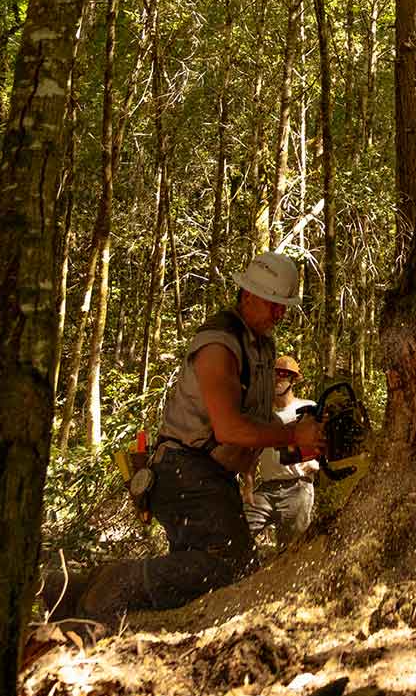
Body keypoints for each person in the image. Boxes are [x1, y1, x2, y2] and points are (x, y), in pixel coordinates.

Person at [69, 252, 328, 620]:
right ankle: (114, 584)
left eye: (284, 307)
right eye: (273, 304)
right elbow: (229, 429)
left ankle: (81, 587)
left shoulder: (262, 347)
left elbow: (256, 421)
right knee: (229, 568)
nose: (279, 314)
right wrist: (290, 433)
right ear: (248, 295)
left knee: (198, 569)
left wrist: (305, 439)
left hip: (211, 477)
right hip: (183, 471)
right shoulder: (219, 345)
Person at [244, 352, 317, 549]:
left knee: (291, 549)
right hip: (267, 489)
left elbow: (326, 446)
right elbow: (253, 453)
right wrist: (248, 484)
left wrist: (315, 463)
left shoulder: (308, 408)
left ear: (293, 379)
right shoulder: (263, 415)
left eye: (284, 374)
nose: (278, 379)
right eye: (274, 374)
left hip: (297, 487)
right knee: (240, 534)